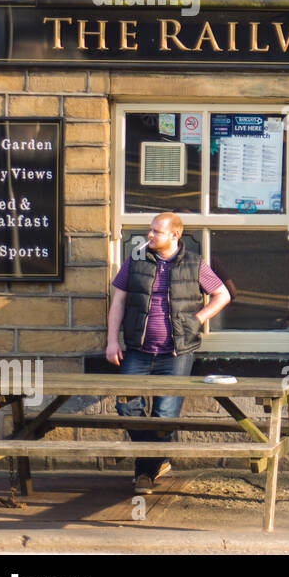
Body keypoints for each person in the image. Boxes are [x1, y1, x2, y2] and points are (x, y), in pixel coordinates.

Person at [105, 212, 231, 494]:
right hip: (137, 350)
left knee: (165, 414)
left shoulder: (195, 263)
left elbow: (222, 295)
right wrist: (112, 341)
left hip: (177, 352)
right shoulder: (136, 259)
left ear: (174, 235)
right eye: (149, 230)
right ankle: (156, 460)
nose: (149, 236)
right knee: (126, 407)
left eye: (156, 232)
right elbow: (119, 302)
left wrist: (198, 319)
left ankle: (145, 471)